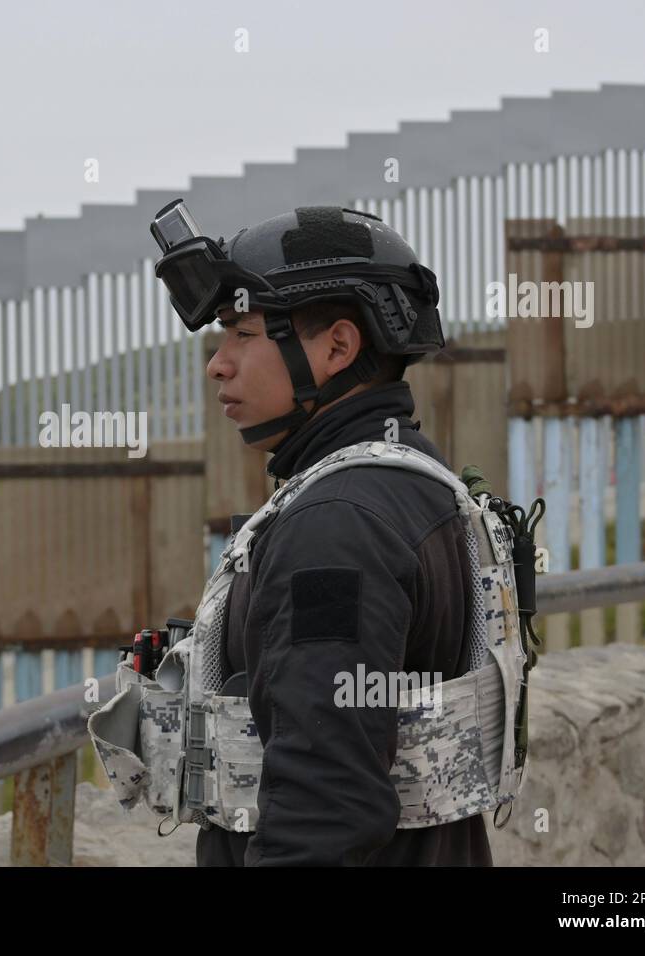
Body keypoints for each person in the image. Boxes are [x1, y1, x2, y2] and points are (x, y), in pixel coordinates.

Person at [156, 204, 495, 866]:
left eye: (243, 333)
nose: (218, 365)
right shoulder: (414, 481)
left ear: (338, 347)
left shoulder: (336, 527)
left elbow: (326, 808)